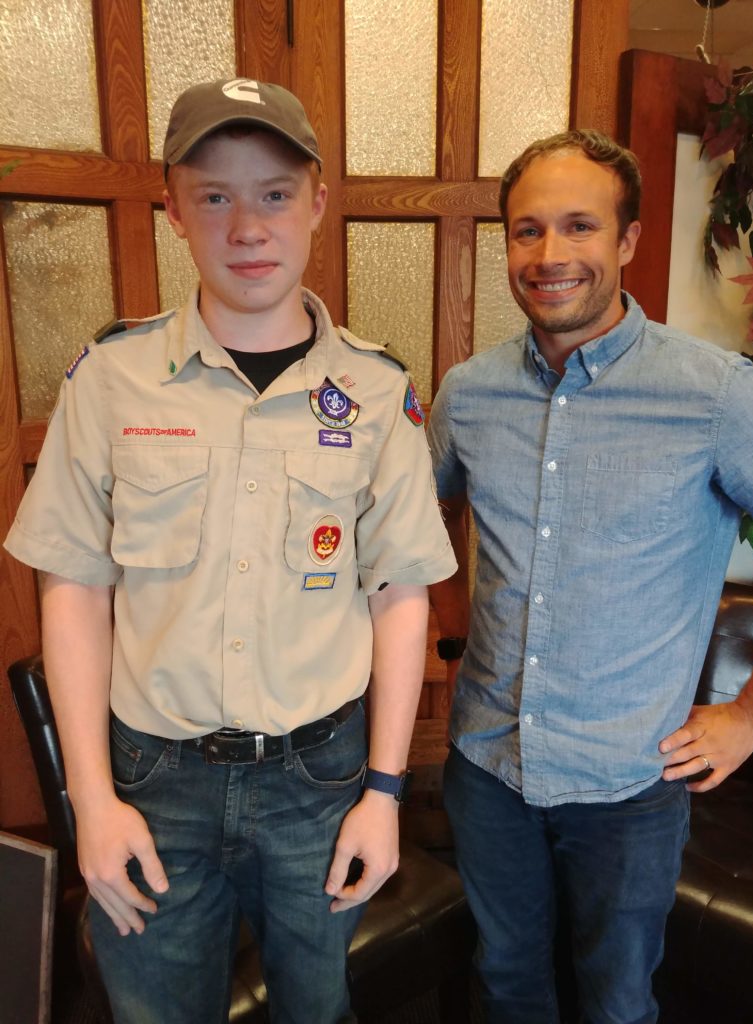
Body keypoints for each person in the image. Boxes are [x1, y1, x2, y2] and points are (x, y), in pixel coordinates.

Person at [4, 78, 457, 1024]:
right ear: (173, 210)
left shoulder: (376, 391)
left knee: (316, 1011)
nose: (247, 227)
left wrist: (384, 792)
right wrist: (92, 800)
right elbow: (74, 588)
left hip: (319, 781)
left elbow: (399, 594)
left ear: (318, 203)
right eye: (214, 196)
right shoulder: (112, 377)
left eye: (274, 194)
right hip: (153, 780)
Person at [428, 128, 753, 1024]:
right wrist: (452, 633)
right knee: (507, 987)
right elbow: (423, 522)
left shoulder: (718, 395)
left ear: (627, 240)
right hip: (487, 767)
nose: (551, 254)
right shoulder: (468, 393)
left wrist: (750, 716)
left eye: (580, 226)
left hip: (630, 785)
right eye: (528, 230)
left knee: (617, 1005)